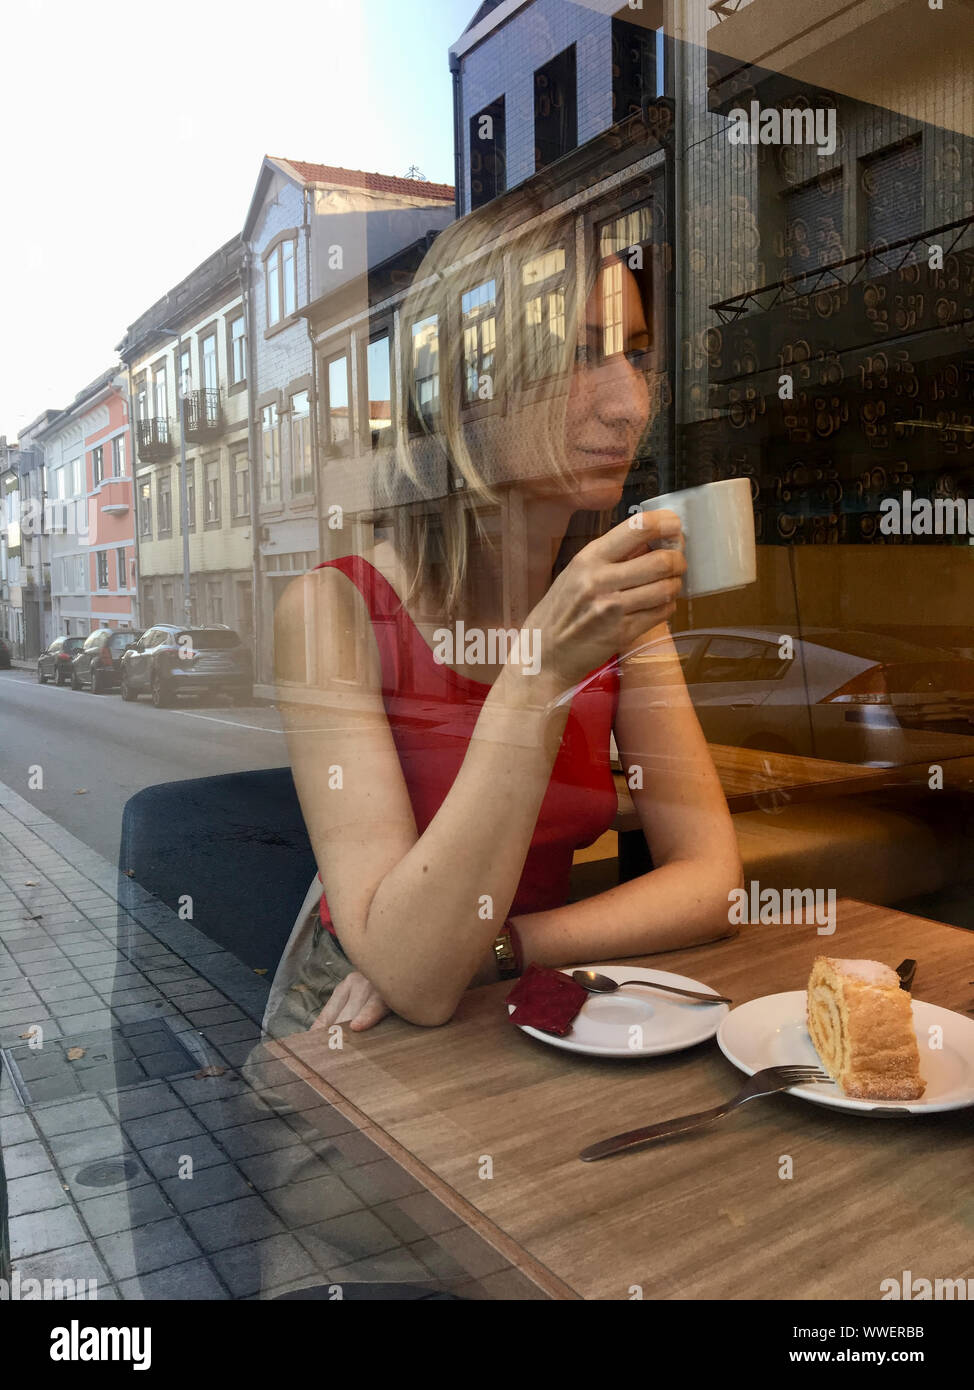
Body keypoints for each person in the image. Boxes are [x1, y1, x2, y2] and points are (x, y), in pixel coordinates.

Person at [262, 209, 744, 1045]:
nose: (630, 405)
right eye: (577, 356)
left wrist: (507, 944)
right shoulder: (333, 611)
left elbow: (713, 883)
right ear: (468, 384)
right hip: (361, 1021)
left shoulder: (615, 612)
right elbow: (412, 975)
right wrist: (539, 677)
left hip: (527, 1000)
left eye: (634, 356)